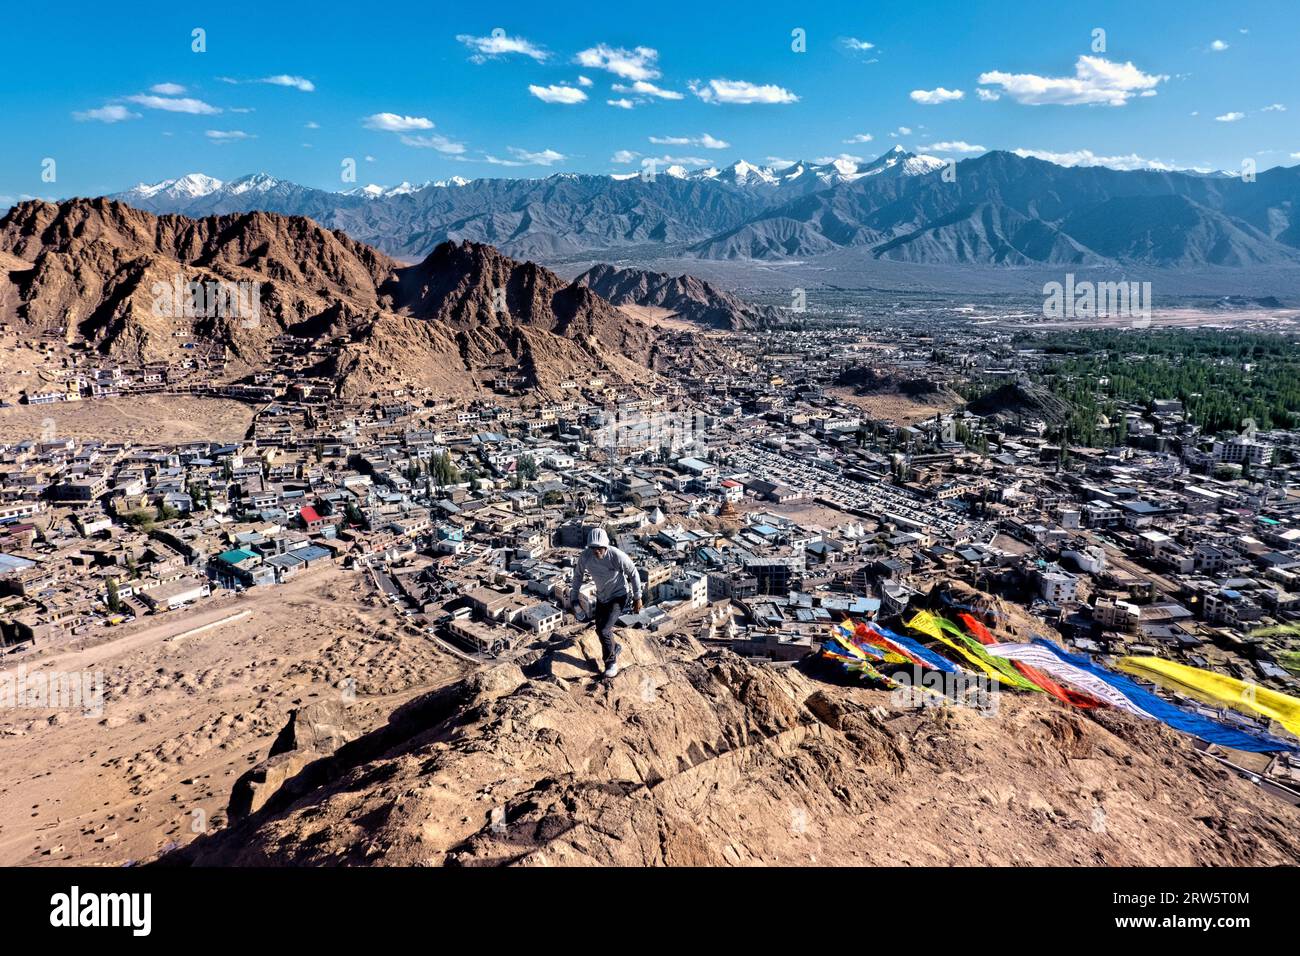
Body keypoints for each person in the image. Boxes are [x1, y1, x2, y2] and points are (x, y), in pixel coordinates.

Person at [568, 528, 643, 678]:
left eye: (600, 548)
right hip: (602, 597)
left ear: (606, 546)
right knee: (599, 630)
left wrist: (637, 597)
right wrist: (574, 597)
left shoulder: (616, 556)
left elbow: (633, 572)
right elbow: (578, 576)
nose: (597, 551)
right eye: (593, 548)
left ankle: (611, 663)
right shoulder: (586, 557)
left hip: (619, 596)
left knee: (604, 630)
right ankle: (614, 648)